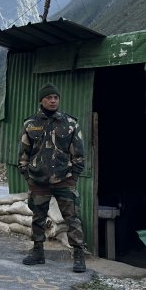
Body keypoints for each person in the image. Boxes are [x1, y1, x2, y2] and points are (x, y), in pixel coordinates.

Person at [18, 82, 87, 273]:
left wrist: (74, 176)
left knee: (72, 218)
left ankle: (79, 255)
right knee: (38, 217)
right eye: (49, 97)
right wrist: (27, 175)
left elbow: (79, 153)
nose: (53, 100)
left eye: (56, 97)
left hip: (64, 179)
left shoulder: (70, 123)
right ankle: (38, 252)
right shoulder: (30, 124)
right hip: (38, 180)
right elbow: (24, 153)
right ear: (41, 100)